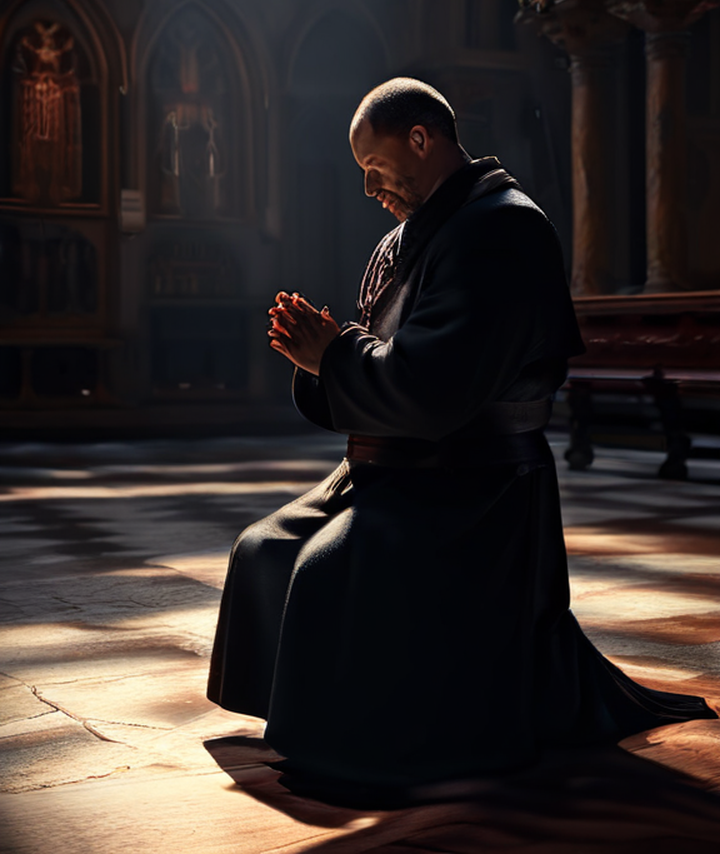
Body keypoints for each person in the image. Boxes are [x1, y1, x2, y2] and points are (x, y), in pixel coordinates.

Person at [207, 77, 716, 806]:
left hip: (475, 482)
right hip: (397, 464)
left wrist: (335, 355)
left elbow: (436, 386)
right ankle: (303, 723)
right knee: (264, 547)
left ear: (423, 139)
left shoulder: (504, 229)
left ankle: (366, 745)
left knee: (325, 569)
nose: (369, 188)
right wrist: (319, 357)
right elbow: (383, 362)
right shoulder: (402, 240)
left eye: (375, 168)